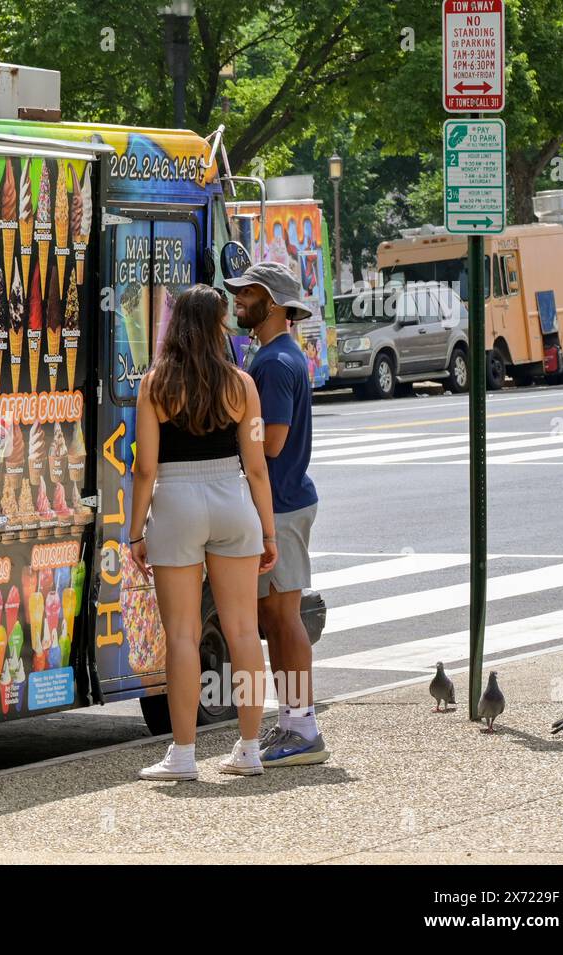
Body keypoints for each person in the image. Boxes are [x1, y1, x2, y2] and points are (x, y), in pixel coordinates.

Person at [131, 284, 278, 781]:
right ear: (218, 327)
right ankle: (251, 747)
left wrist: (135, 534)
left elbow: (144, 469)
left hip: (175, 503)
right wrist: (269, 532)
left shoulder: (154, 385)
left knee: (182, 635)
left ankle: (184, 754)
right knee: (241, 631)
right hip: (233, 501)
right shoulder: (242, 385)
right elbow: (256, 468)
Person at [225, 261, 328, 766]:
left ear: (275, 302)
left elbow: (274, 440)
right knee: (274, 616)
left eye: (248, 293)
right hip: (287, 501)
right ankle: (292, 723)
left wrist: (231, 437)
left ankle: (303, 728)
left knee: (284, 619)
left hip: (282, 505)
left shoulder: (273, 364)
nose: (239, 300)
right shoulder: (279, 356)